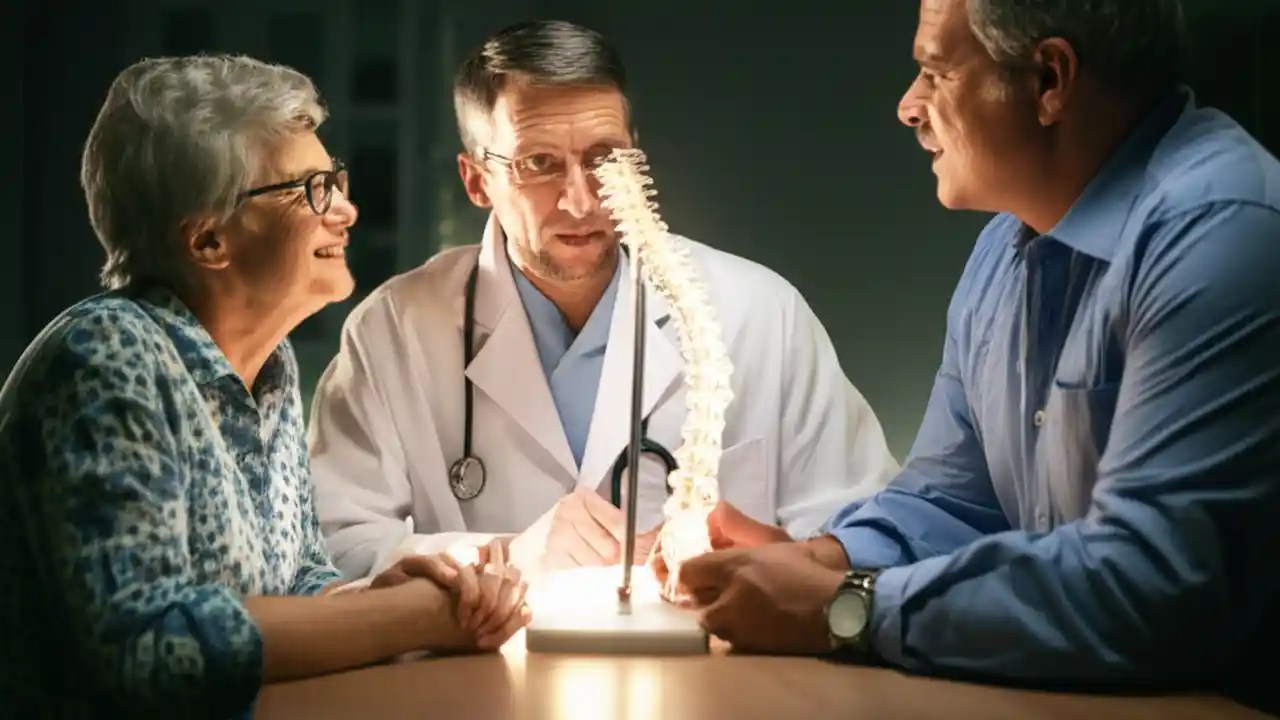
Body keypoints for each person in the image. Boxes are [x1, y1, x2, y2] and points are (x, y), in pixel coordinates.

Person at [672, 0, 1280, 708]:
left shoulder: (1221, 233)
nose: (908, 106)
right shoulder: (1005, 249)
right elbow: (952, 504)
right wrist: (811, 559)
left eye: (934, 72)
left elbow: (1151, 586)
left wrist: (845, 605)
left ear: (1049, 80)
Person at [0, 55, 528, 719]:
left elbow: (296, 580)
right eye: (311, 190)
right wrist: (409, 619)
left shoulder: (269, 368)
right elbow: (147, 649)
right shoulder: (104, 357)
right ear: (210, 239)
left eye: (335, 180)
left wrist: (372, 595)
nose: (347, 209)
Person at [308, 19, 899, 580]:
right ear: (476, 181)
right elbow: (337, 546)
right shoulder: (394, 331)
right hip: (482, 680)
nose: (581, 200)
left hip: (708, 674)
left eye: (603, 159)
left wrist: (760, 558)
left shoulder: (759, 314)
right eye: (538, 164)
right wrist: (503, 555)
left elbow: (860, 530)